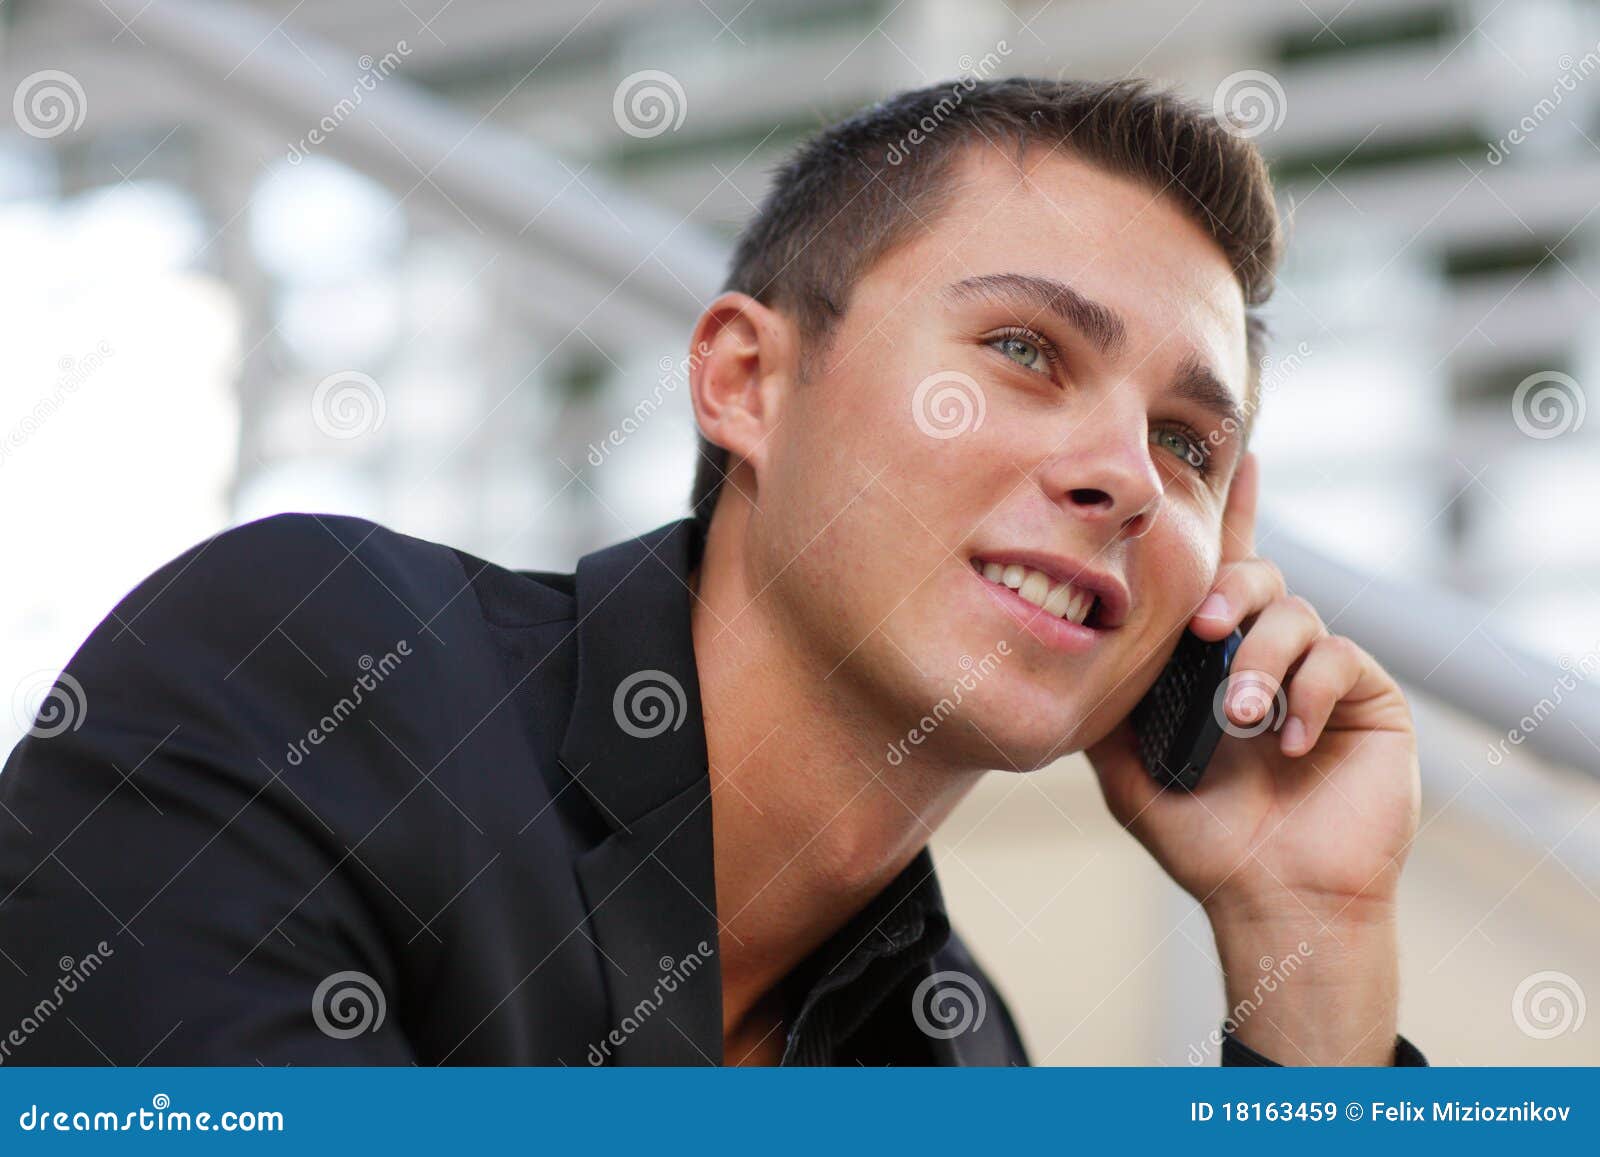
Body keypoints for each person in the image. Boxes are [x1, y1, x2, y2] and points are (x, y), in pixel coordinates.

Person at [0, 78, 1424, 1066]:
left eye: (1186, 441)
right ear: (747, 380)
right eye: (1023, 350)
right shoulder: (316, 674)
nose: (1122, 470)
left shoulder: (954, 1051)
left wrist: (1310, 939)